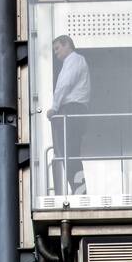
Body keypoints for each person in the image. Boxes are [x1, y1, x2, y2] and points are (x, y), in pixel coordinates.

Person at [47, 35, 91, 195]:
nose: (56, 53)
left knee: (70, 154)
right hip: (74, 109)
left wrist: (54, 107)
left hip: (72, 109)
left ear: (67, 45)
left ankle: (80, 190)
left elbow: (65, 84)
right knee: (70, 154)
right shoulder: (73, 61)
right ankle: (78, 189)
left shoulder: (74, 60)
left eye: (57, 48)